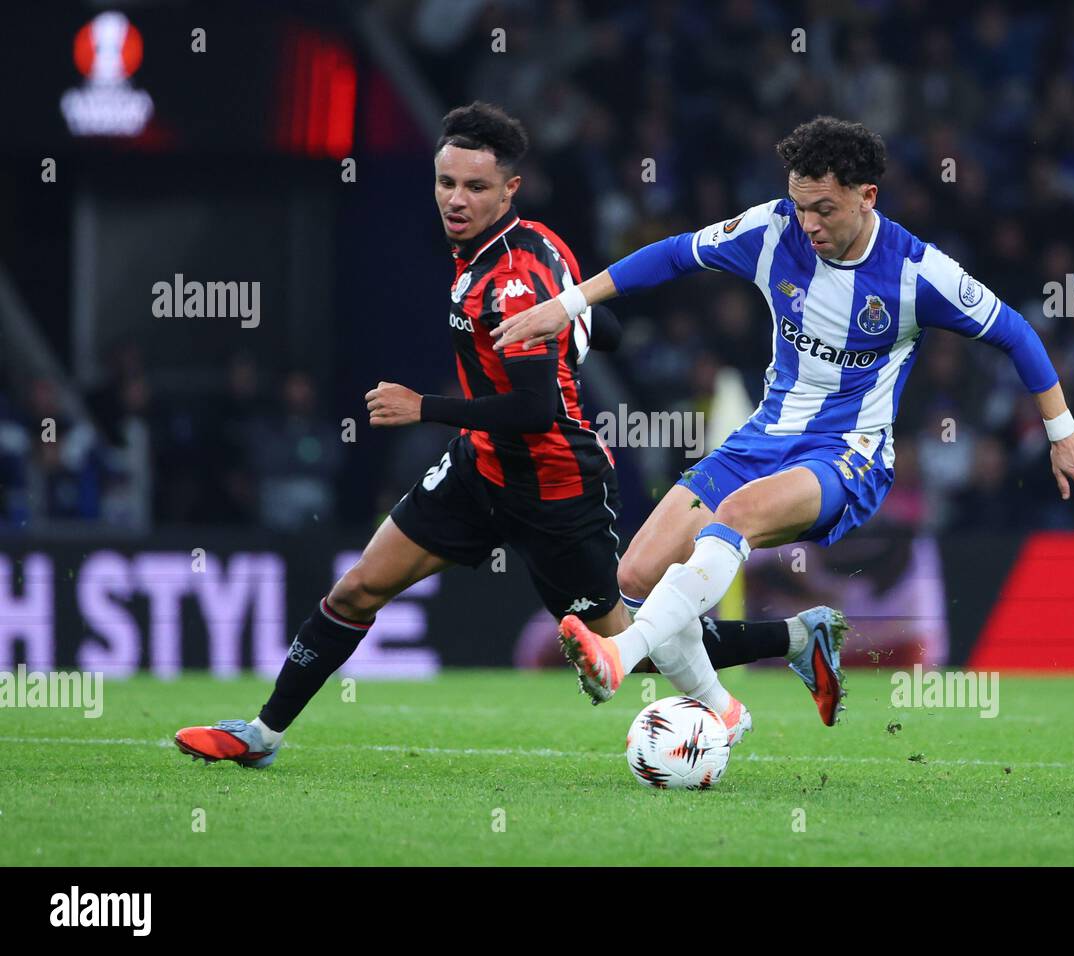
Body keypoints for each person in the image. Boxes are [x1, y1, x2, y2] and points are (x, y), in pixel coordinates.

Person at [174, 103, 847, 769]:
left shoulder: (515, 279)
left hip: (555, 488)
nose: (456, 200)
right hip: (478, 470)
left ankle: (792, 639)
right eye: (446, 183)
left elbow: (533, 408)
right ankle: (262, 735)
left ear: (509, 189)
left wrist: (424, 407)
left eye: (475, 187)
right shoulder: (529, 246)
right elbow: (599, 328)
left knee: (632, 639)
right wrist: (577, 333)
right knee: (356, 590)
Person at [493, 115, 1074, 712]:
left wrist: (1064, 433)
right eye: (799, 204)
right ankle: (750, 687)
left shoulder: (916, 272)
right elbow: (675, 255)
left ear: (867, 197)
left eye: (823, 209)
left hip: (847, 456)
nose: (806, 222)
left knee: (733, 519)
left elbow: (1015, 331)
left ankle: (619, 658)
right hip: (763, 438)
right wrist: (567, 304)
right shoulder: (770, 231)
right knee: (637, 573)